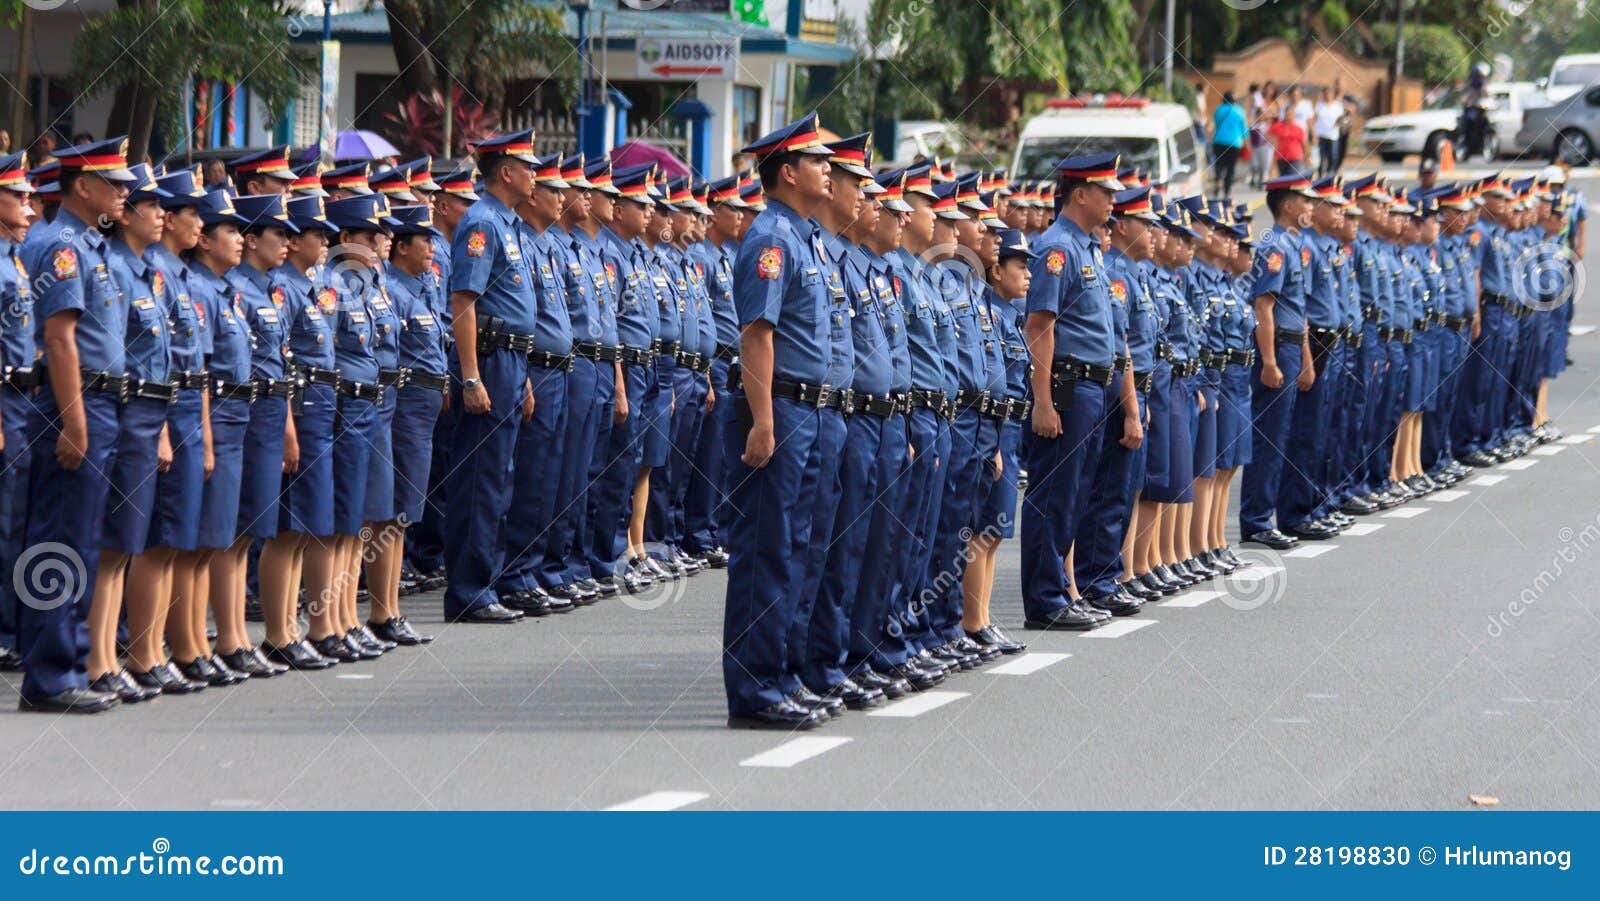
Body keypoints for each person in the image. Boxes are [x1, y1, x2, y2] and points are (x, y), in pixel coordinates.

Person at [721, 112, 837, 730]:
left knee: (798, 548)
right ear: (787, 172)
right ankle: (755, 686)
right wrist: (763, 421)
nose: (828, 169)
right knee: (766, 549)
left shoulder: (804, 235)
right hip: (781, 409)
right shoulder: (770, 237)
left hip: (808, 409)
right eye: (818, 160)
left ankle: (785, 673)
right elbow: (756, 336)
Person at [14, 136, 137, 714]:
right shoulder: (62, 245)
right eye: (114, 183)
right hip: (75, 403)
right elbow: (60, 341)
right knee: (59, 542)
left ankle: (73, 662)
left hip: (98, 404)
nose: (125, 192)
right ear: (82, 187)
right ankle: (48, 673)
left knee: (82, 542)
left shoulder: (91, 245)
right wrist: (73, 422)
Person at [1020, 153, 1126, 631]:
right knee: (1055, 494)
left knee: (1078, 492)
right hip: (1067, 384)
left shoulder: (1089, 248)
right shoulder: (1056, 248)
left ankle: (1062, 589)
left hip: (1093, 386)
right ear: (1080, 194)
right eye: (1106, 191)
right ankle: (1045, 598)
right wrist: (1042, 400)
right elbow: (1040, 326)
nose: (1113, 199)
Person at [440, 129, 543, 624]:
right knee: (480, 479)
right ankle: (467, 589)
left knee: (499, 477)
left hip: (510, 361)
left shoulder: (508, 224)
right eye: (528, 166)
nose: (535, 175)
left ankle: (486, 580)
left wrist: (518, 375)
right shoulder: (482, 222)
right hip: (490, 360)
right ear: (505, 172)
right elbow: (465, 302)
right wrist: (471, 376)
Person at [84, 162, 172, 704]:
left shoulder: (144, 269)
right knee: (108, 541)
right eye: (153, 206)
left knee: (125, 544)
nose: (160, 215)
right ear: (126, 216)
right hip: (121, 407)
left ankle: (112, 657)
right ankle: (98, 658)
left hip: (147, 412)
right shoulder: (111, 266)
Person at [1239, 174, 1318, 550]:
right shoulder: (1275, 247)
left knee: (1281, 434)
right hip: (1275, 347)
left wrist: (1305, 358)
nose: (1310, 208)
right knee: (1269, 435)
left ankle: (1266, 515)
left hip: (1290, 346)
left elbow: (1296, 310)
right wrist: (1269, 361)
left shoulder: (1292, 245)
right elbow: (1263, 307)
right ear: (1288, 206)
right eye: (1305, 201)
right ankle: (1255, 520)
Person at [0, 151, 35, 674]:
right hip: (4, 402)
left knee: (18, 521)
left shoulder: (15, 258)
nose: (30, 207)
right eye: (20, 197)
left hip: (26, 402)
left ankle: (10, 631)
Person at [1211, 91, 1247, 199]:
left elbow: (1216, 123)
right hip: (1234, 143)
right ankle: (1227, 191)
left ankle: (1218, 180)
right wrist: (1247, 143)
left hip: (1219, 140)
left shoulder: (1219, 109)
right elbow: (1244, 130)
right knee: (1230, 168)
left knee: (1219, 164)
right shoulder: (1240, 111)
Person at [1313, 88, 1344, 177]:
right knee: (1321, 157)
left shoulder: (1338, 106)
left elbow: (1341, 120)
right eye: (1325, 94)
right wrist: (1314, 134)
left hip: (1333, 136)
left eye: (1329, 94)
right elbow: (1314, 119)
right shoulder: (1319, 105)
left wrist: (1339, 122)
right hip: (1321, 135)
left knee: (1333, 156)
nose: (1327, 96)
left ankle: (1331, 175)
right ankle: (1320, 176)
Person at [1268, 112, 1307, 178]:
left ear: (1294, 116)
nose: (1289, 116)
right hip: (1281, 157)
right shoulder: (1278, 126)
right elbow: (1268, 135)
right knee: (1283, 179)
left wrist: (1306, 156)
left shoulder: (1298, 128)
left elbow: (1304, 143)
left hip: (1294, 158)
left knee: (1292, 179)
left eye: (1291, 114)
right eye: (1287, 114)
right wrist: (1273, 141)